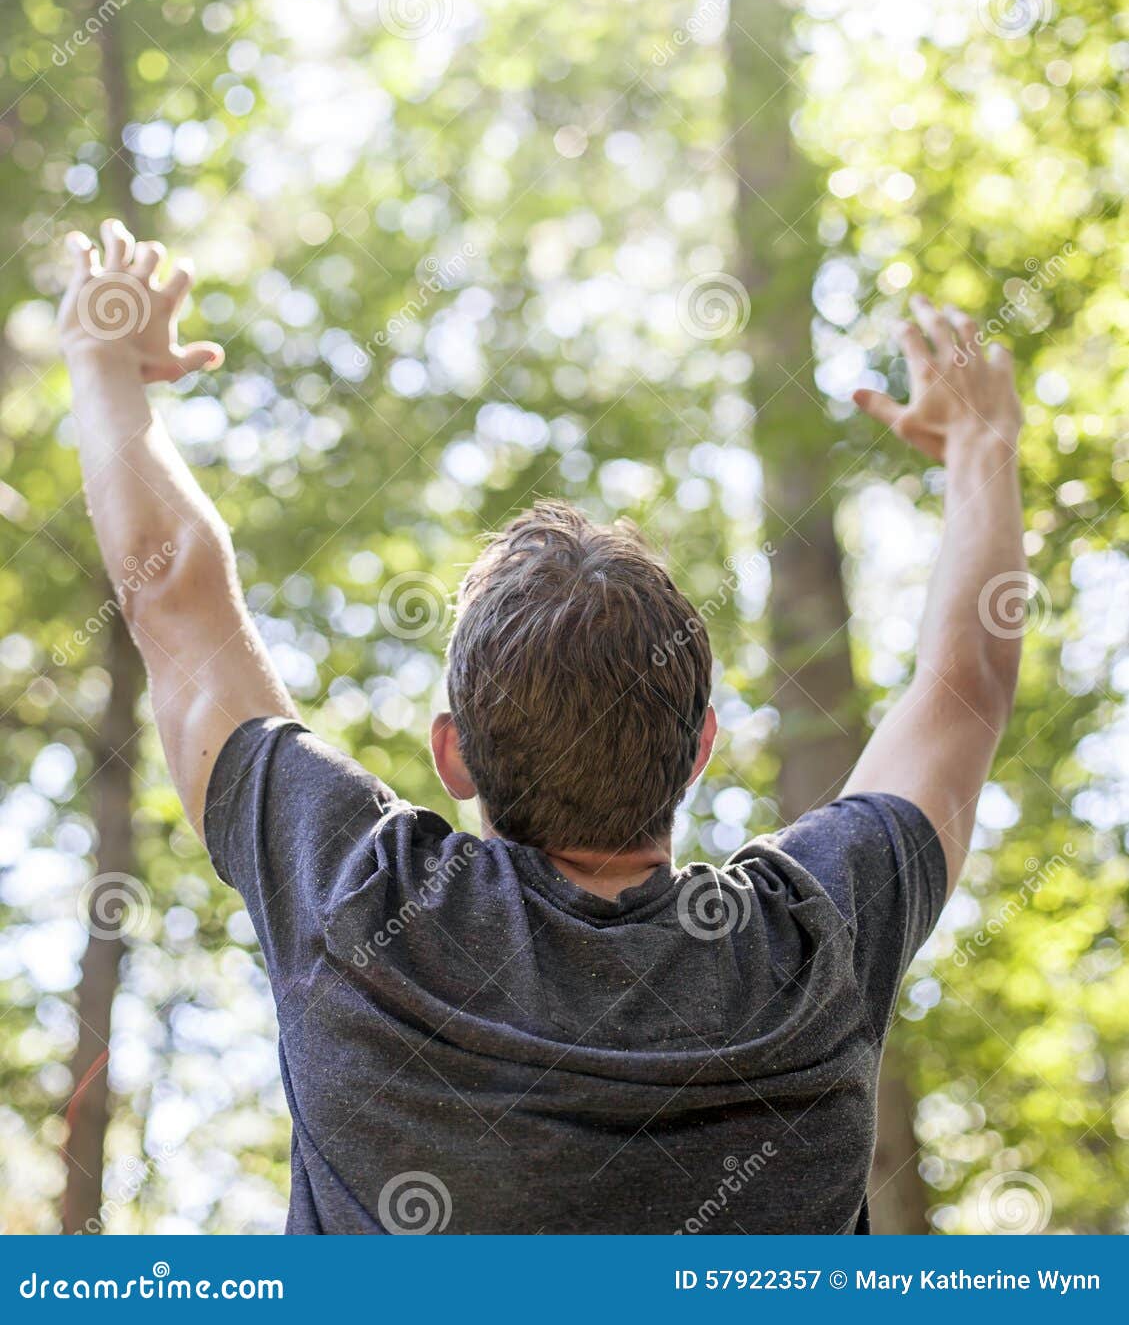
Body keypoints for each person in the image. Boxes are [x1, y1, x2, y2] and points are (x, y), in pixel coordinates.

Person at [58, 218, 1024, 1235]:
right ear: (699, 751)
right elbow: (966, 682)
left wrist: (100, 361)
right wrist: (983, 445)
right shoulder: (808, 940)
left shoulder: (360, 897)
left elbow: (170, 593)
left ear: (453, 756)